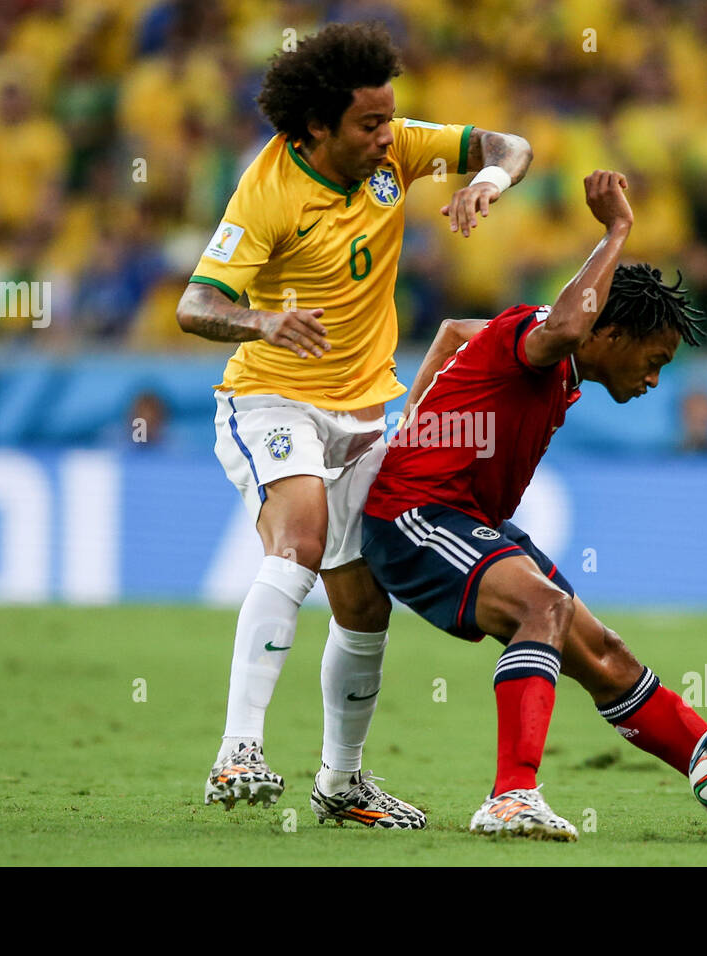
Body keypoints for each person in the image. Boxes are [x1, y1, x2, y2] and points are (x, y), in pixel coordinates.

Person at [362, 171, 707, 840]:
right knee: (545, 607)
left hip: (466, 519)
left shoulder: (551, 362)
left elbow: (452, 334)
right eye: (652, 360)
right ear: (609, 333)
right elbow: (560, 325)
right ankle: (511, 797)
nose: (654, 380)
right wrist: (618, 229)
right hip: (414, 516)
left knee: (606, 655)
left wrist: (416, 421)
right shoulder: (543, 340)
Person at [174, 22, 532, 828]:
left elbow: (512, 144)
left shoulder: (396, 151)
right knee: (297, 536)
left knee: (365, 606)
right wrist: (260, 319)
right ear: (316, 128)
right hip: (271, 397)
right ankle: (239, 752)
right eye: (369, 124)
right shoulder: (267, 190)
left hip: (364, 412)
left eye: (389, 118)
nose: (386, 136)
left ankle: (341, 784)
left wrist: (491, 182)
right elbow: (194, 305)